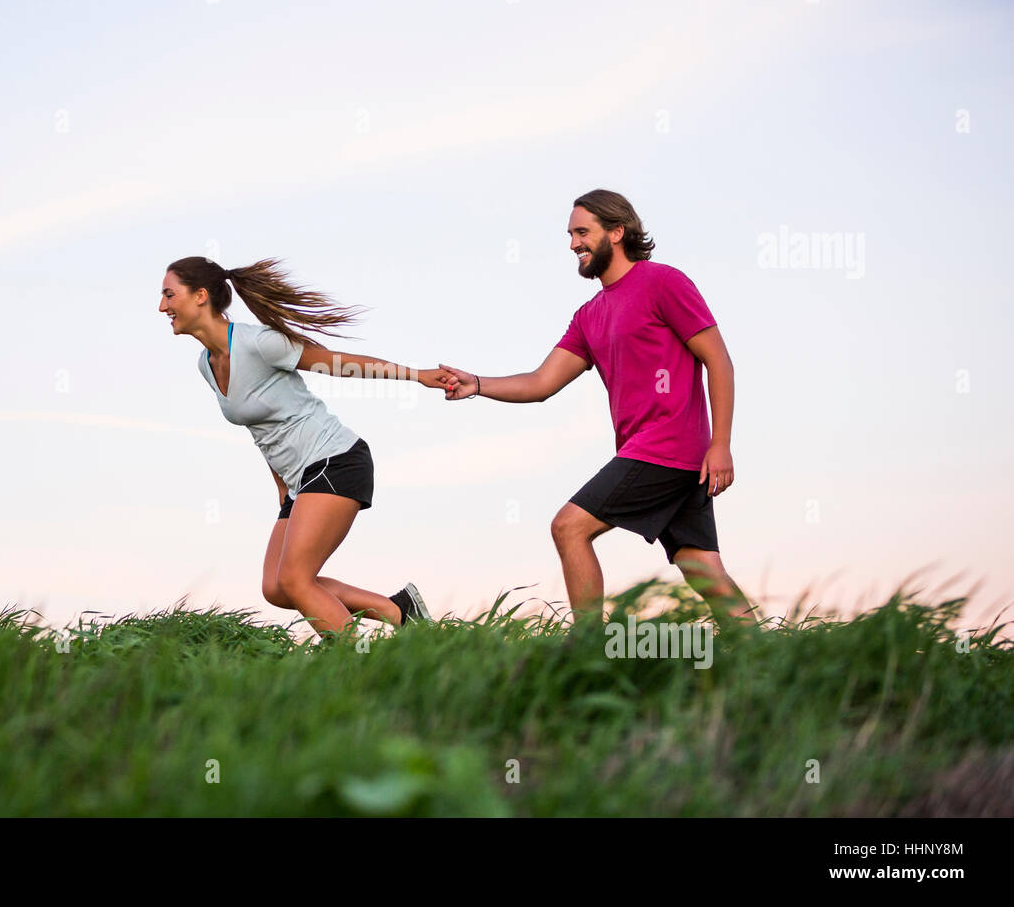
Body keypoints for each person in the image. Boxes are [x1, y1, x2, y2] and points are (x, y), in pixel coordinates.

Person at [439, 190, 759, 626]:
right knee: (703, 569)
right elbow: (540, 382)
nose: (573, 244)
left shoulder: (663, 282)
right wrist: (477, 384)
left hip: (667, 445)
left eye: (582, 232)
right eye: (570, 235)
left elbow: (718, 359)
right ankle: (761, 657)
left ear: (617, 231)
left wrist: (720, 444)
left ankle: (589, 650)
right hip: (658, 453)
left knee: (569, 527)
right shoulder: (589, 315)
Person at [161, 256, 442, 640]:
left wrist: (418, 376)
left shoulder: (258, 343)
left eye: (169, 294)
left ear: (200, 296)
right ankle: (401, 611)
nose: (162, 306)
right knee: (277, 587)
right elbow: (258, 426)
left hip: (336, 459)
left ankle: (360, 662)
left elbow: (339, 364)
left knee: (295, 579)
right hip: (301, 479)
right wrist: (280, 482)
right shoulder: (206, 364)